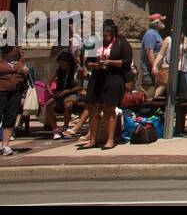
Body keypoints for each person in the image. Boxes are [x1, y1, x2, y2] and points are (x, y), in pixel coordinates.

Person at [80, 19, 131, 150]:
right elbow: (87, 62)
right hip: (97, 77)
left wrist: (109, 62)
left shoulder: (121, 43)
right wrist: (92, 65)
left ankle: (110, 140)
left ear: (112, 34)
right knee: (93, 109)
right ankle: (92, 139)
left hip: (114, 78)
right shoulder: (96, 44)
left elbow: (126, 62)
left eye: (107, 35)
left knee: (109, 109)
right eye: (102, 35)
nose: (105, 38)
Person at [43, 51, 85, 139]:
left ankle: (65, 127)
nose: (62, 66)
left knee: (68, 104)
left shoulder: (78, 70)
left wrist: (67, 91)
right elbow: (48, 83)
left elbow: (79, 87)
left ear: (69, 62)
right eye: (60, 64)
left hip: (72, 92)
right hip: (60, 93)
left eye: (64, 64)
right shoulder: (59, 70)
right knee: (48, 105)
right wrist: (51, 92)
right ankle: (55, 129)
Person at [0, 45, 27, 157]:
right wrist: (16, 69)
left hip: (15, 93)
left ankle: (5, 145)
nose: (17, 51)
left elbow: (25, 73)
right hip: (1, 93)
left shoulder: (20, 62)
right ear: (8, 52)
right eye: (15, 50)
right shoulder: (2, 62)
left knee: (10, 118)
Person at [159, 30, 187, 101]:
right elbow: (162, 53)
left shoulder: (186, 40)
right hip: (171, 68)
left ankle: (182, 105)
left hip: (184, 67)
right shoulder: (169, 39)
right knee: (172, 89)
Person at [140, 14, 166, 98]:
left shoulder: (156, 34)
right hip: (149, 70)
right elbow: (149, 52)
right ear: (156, 23)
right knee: (148, 92)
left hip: (154, 69)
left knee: (161, 85)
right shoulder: (150, 34)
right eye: (161, 20)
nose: (163, 22)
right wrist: (154, 67)